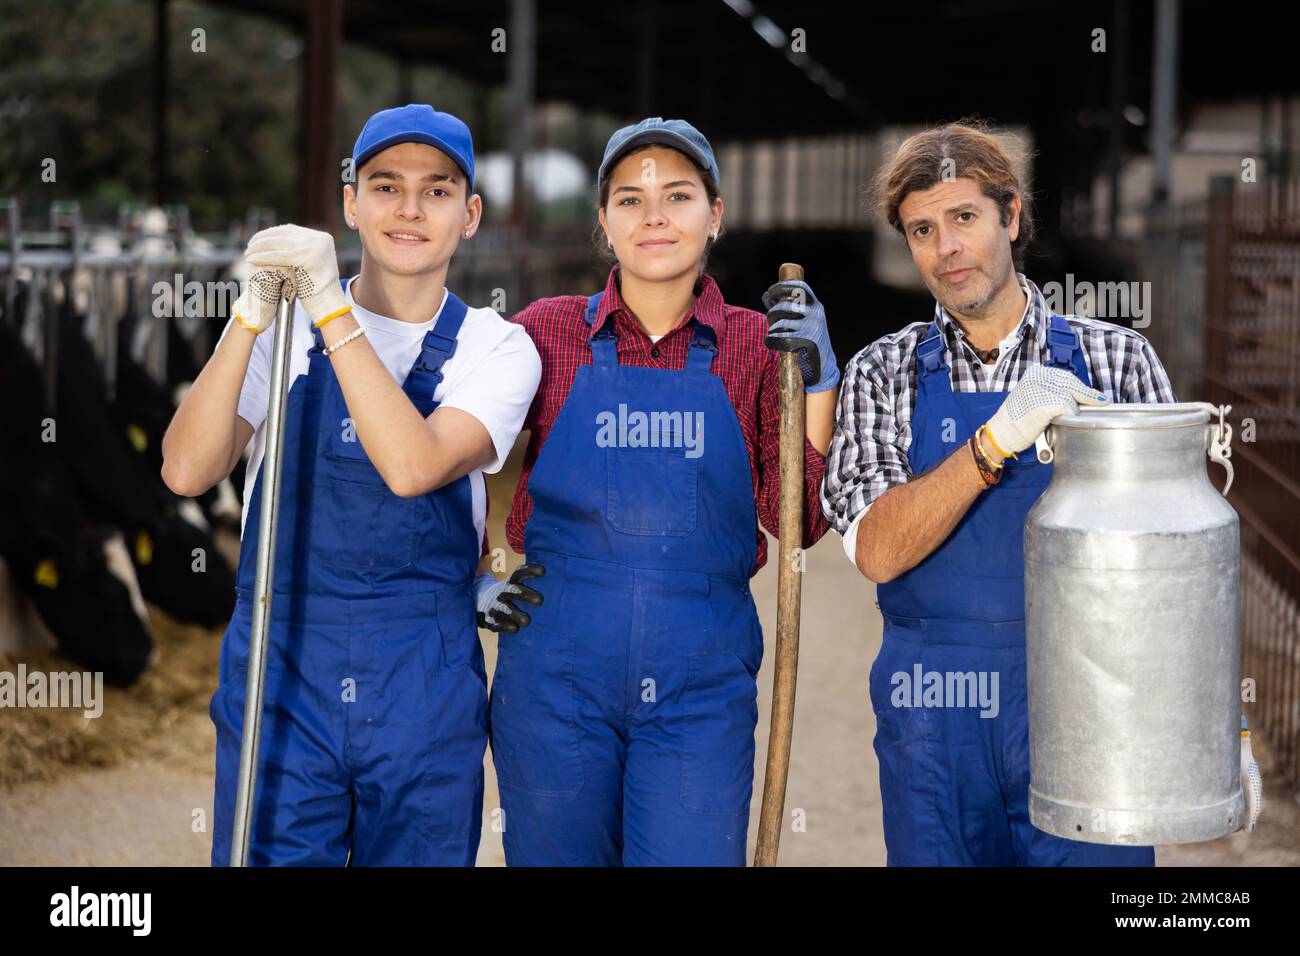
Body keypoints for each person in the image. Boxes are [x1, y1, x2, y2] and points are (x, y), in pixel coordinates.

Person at [162, 104, 541, 866]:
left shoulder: (497, 347)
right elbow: (186, 469)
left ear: (469, 215)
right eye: (384, 185)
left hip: (421, 683)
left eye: (436, 191)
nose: (408, 209)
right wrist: (249, 315)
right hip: (281, 664)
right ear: (349, 203)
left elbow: (414, 467)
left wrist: (328, 308)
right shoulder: (279, 331)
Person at [476, 117, 837, 866]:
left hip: (699, 685)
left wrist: (819, 383)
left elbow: (793, 520)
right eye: (630, 200)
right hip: (552, 680)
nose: (655, 217)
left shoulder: (755, 347)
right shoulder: (543, 333)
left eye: (677, 195)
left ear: (716, 215)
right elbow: (450, 446)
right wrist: (471, 570)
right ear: (604, 224)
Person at [821, 119, 1178, 866]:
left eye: (964, 218)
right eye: (921, 230)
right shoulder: (883, 374)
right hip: (933, 719)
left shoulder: (1119, 362)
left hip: (1089, 707)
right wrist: (994, 442)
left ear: (1011, 216)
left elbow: (1176, 571)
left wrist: (1213, 729)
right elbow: (880, 550)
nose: (946, 247)